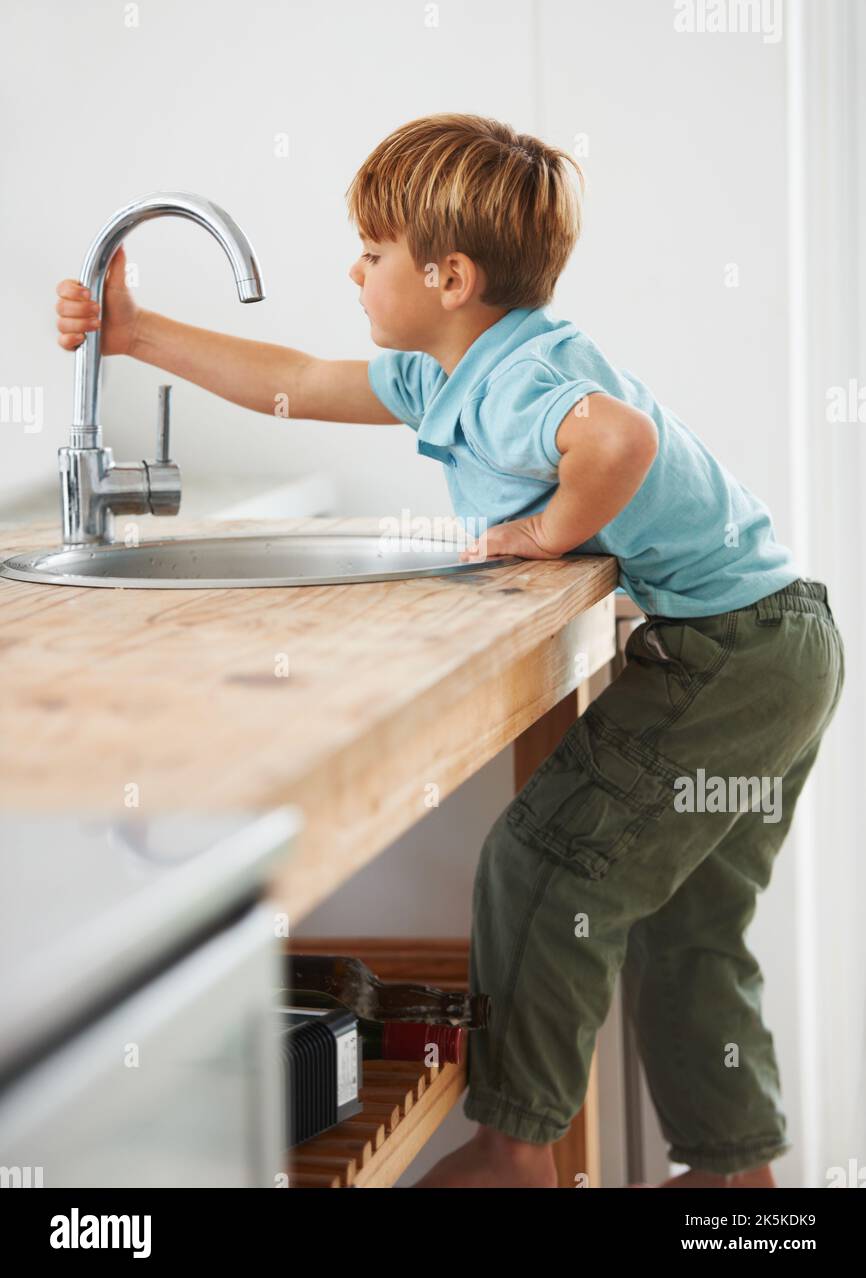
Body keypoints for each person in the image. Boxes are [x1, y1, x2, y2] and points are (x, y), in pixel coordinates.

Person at [55, 113, 845, 1188]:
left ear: (449, 275)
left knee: (542, 862)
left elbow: (618, 440)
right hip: (771, 641)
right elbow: (292, 376)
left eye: (372, 254)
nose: (354, 268)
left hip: (729, 653)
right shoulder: (453, 373)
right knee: (686, 927)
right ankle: (734, 1183)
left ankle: (516, 1148)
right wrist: (139, 334)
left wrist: (544, 531)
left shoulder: (520, 378)